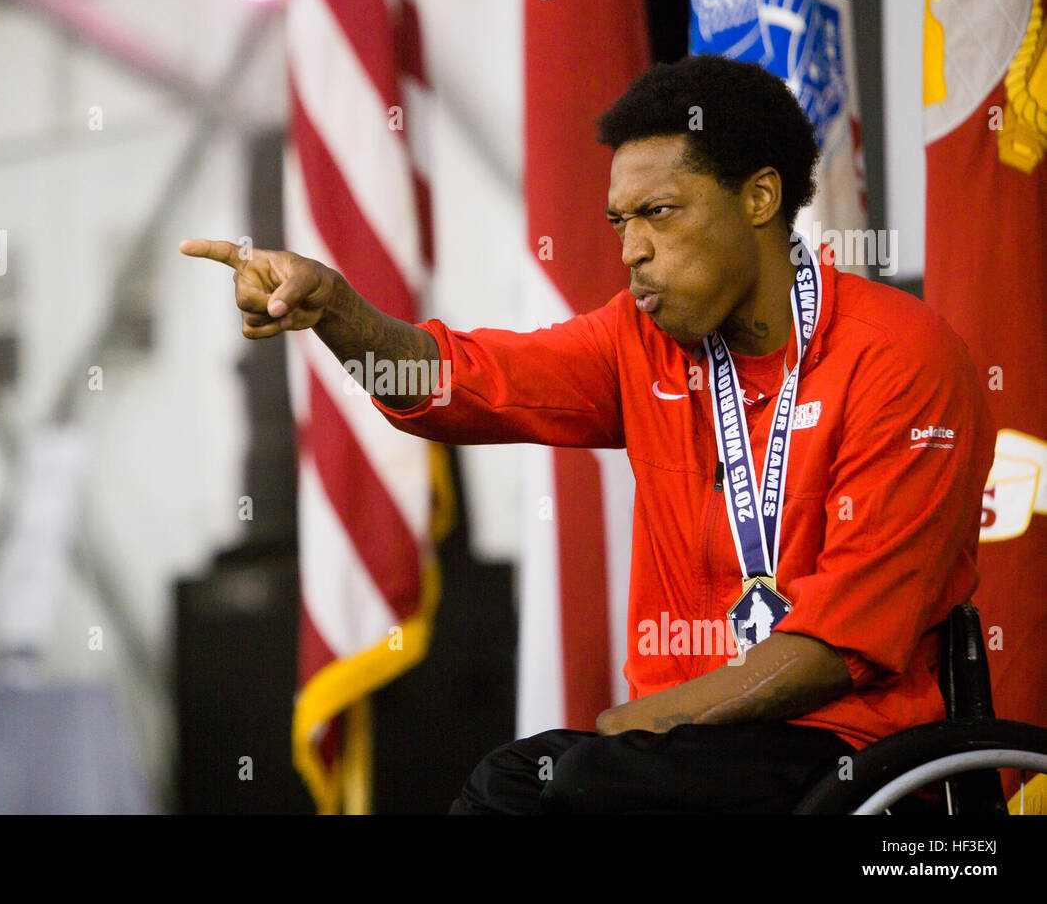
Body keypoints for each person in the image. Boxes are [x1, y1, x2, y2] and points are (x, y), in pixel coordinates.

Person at [181, 55, 997, 813]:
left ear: (759, 198)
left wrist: (629, 725)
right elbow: (466, 384)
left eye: (659, 214)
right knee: (504, 786)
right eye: (618, 223)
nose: (632, 251)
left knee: (588, 785)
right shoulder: (639, 342)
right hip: (677, 747)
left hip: (854, 756)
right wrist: (338, 313)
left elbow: (835, 648)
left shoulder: (901, 358)